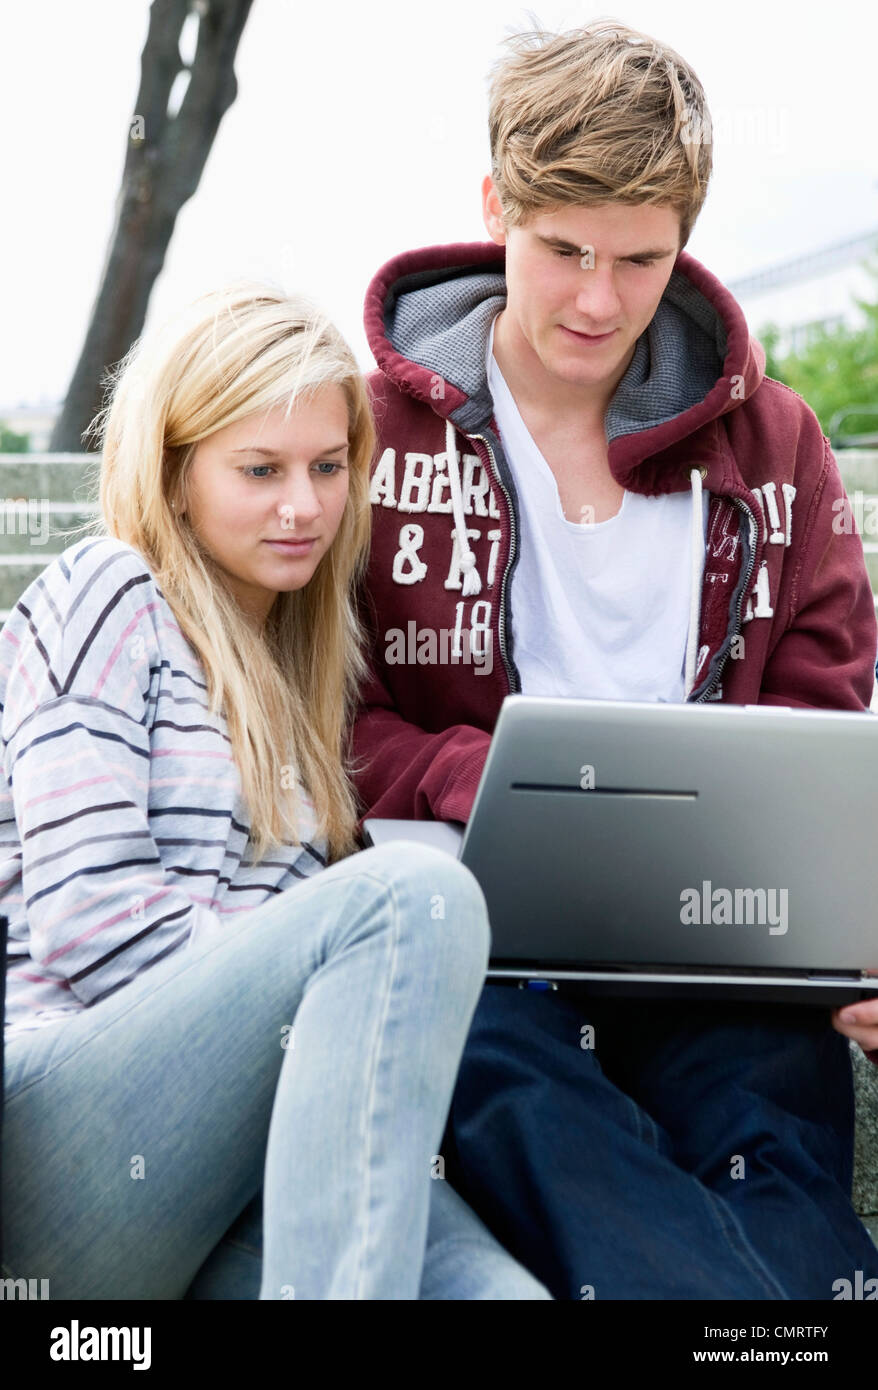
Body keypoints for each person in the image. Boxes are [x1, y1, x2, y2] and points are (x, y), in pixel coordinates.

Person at [351, 20, 878, 1298]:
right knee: (520, 1096)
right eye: (562, 250)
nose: (597, 300)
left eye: (641, 259)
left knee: (774, 1137)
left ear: (686, 240)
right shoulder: (368, 433)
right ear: (495, 209)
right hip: (480, 942)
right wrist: (462, 774)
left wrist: (844, 929)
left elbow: (822, 732)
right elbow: (318, 715)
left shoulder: (773, 447)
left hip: (719, 944)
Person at [0, 284, 551, 1300]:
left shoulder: (300, 676)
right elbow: (89, 920)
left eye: (327, 467)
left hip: (213, 1171)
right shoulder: (107, 593)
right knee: (413, 899)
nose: (302, 505)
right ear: (173, 476)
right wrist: (313, 1002)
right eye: (259, 470)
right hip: (56, 1138)